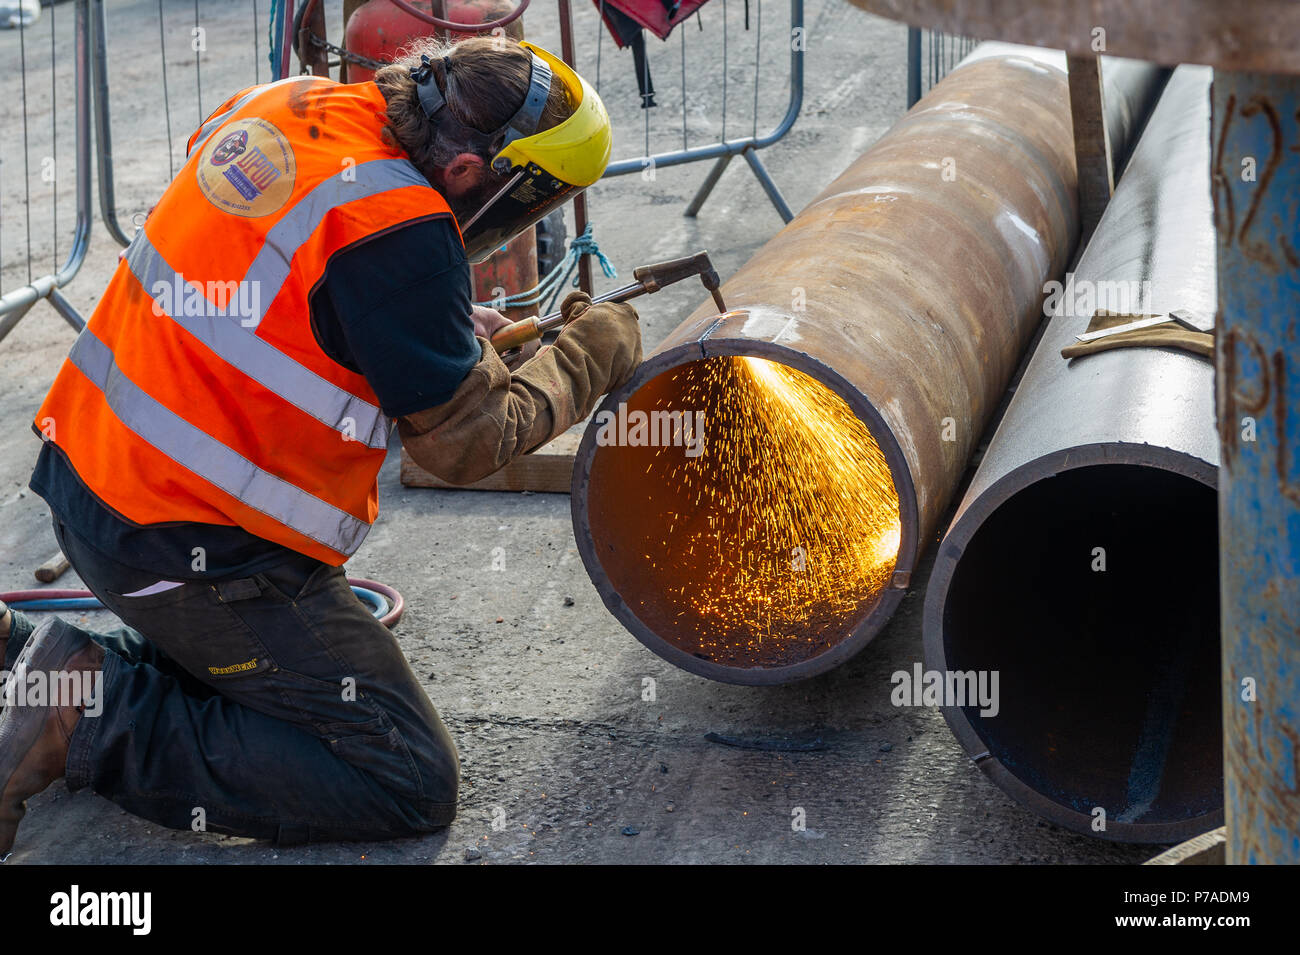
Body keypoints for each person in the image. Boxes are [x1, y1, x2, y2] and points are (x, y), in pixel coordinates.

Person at [0, 35, 641, 856]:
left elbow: (275, 278)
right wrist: (594, 354)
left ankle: (26, 656)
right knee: (403, 772)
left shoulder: (293, 105)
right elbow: (463, 446)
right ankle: (80, 712)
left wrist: (427, 329)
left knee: (259, 682)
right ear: (472, 173)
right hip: (193, 548)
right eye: (532, 199)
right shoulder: (399, 228)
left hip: (88, 487)